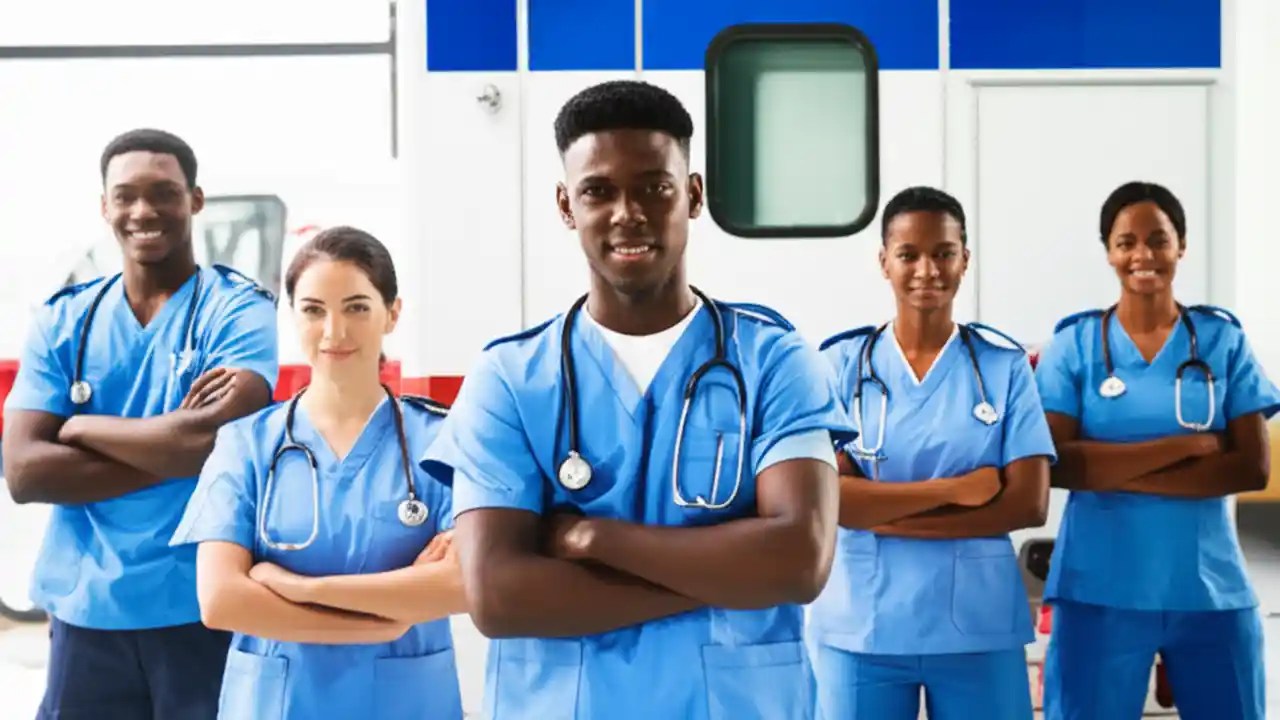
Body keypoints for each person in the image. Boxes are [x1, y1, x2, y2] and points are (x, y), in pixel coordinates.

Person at [421, 79, 856, 719]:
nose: (629, 213)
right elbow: (498, 596)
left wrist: (596, 538)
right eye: (599, 191)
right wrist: (719, 577)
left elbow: (798, 561)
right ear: (567, 205)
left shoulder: (774, 360)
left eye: (655, 186)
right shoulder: (509, 377)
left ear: (694, 196)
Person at [2, 128, 278, 719]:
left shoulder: (237, 311)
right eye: (125, 195)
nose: (143, 211)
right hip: (86, 612)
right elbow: (25, 473)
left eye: (163, 193)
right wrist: (173, 444)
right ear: (104, 207)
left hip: (199, 605)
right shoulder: (65, 321)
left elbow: (219, 444)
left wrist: (80, 429)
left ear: (195, 200)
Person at [168, 226, 467, 719]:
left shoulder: (443, 441)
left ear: (392, 314)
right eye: (313, 310)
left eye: (356, 307)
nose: (334, 331)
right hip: (277, 702)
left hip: (404, 703)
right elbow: (221, 600)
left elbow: (464, 584)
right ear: (292, 317)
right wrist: (384, 620)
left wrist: (300, 589)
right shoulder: (246, 443)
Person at [1034, 180, 1279, 720]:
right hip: (1098, 591)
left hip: (1208, 588)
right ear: (1109, 252)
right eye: (1126, 242)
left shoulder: (1221, 341)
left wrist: (1110, 467)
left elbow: (1250, 467)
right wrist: (1184, 448)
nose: (1143, 255)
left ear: (1181, 247)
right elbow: (1059, 464)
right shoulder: (1073, 346)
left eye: (1158, 240)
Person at [807, 186, 1054, 719]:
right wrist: (957, 491)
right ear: (884, 263)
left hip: (976, 628)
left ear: (965, 260)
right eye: (909, 255)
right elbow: (831, 500)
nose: (928, 269)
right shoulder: (841, 365)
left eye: (944, 253)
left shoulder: (1003, 367)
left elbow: (1027, 504)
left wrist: (880, 513)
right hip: (861, 632)